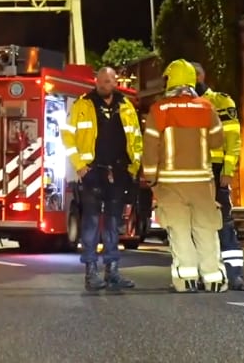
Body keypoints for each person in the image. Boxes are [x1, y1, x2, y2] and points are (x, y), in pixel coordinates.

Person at [142, 59, 227, 293]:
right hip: (201, 182)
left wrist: (150, 178)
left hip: (171, 183)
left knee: (179, 231)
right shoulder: (207, 108)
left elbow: (150, 148)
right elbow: (219, 140)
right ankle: (213, 279)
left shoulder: (159, 110)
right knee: (206, 230)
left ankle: (186, 279)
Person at [62, 66, 143, 291]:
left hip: (118, 172)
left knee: (113, 223)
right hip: (92, 172)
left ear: (115, 82)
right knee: (91, 222)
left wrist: (133, 167)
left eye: (109, 81)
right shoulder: (83, 104)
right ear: (96, 82)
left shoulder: (125, 106)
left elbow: (136, 138)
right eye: (102, 82)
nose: (105, 85)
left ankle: (113, 271)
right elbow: (67, 136)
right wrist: (79, 166)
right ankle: (91, 272)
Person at [191, 62, 244, 291]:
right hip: (192, 174)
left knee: (224, 223)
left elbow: (233, 139)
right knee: (194, 226)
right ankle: (204, 274)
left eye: (193, 75)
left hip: (215, 171)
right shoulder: (180, 105)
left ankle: (234, 275)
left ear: (202, 75)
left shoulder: (221, 102)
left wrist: (227, 170)